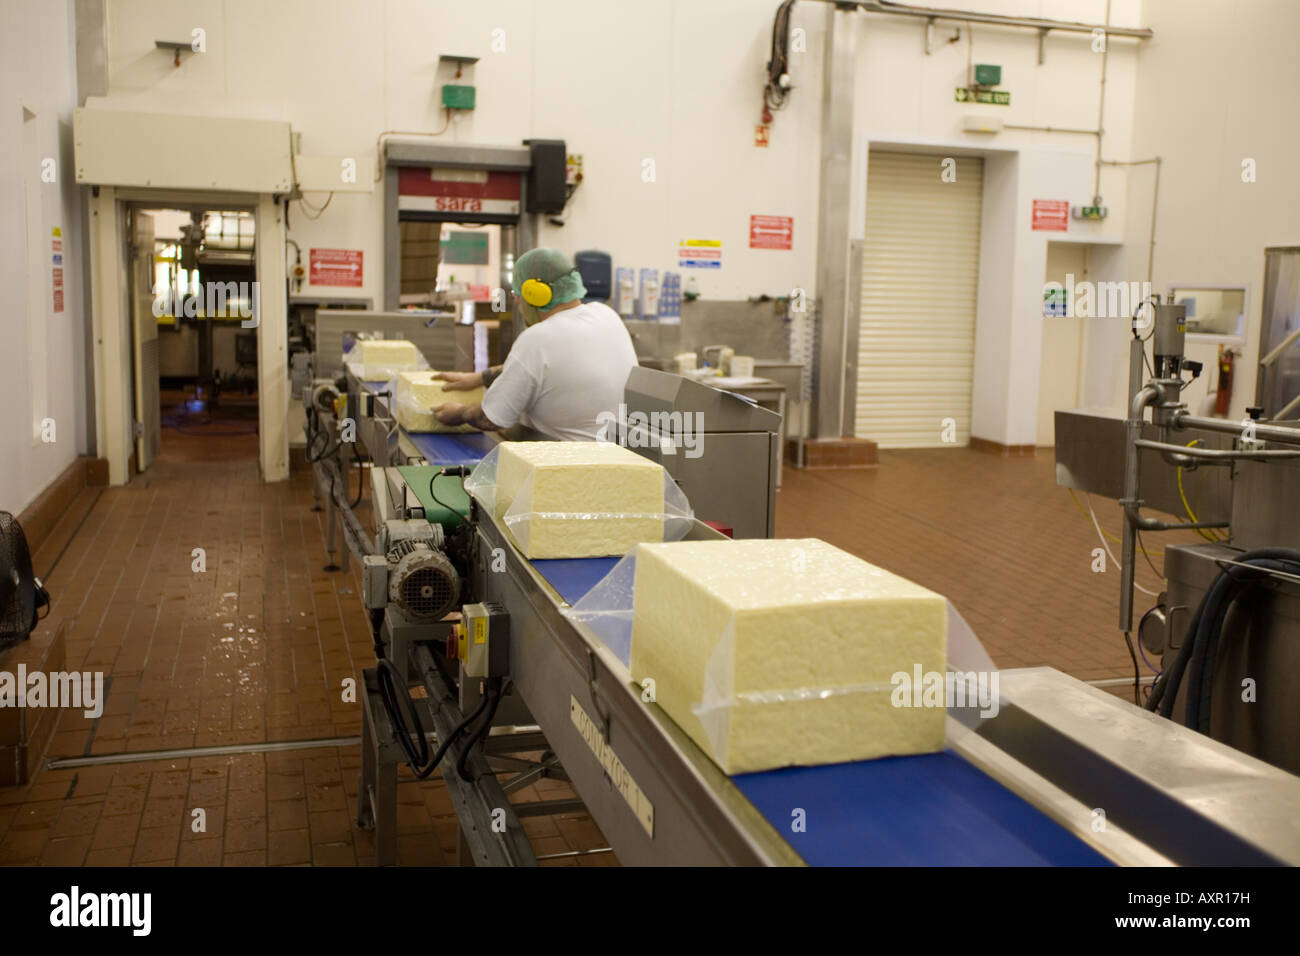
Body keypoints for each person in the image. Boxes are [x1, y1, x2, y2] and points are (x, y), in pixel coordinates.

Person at [433, 248, 638, 441]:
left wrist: (459, 412)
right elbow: (548, 369)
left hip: (568, 467)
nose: (516, 302)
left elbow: (491, 418)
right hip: (621, 458)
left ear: (536, 294)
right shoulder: (607, 315)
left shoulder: (536, 338)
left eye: (517, 295)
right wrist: (479, 378)